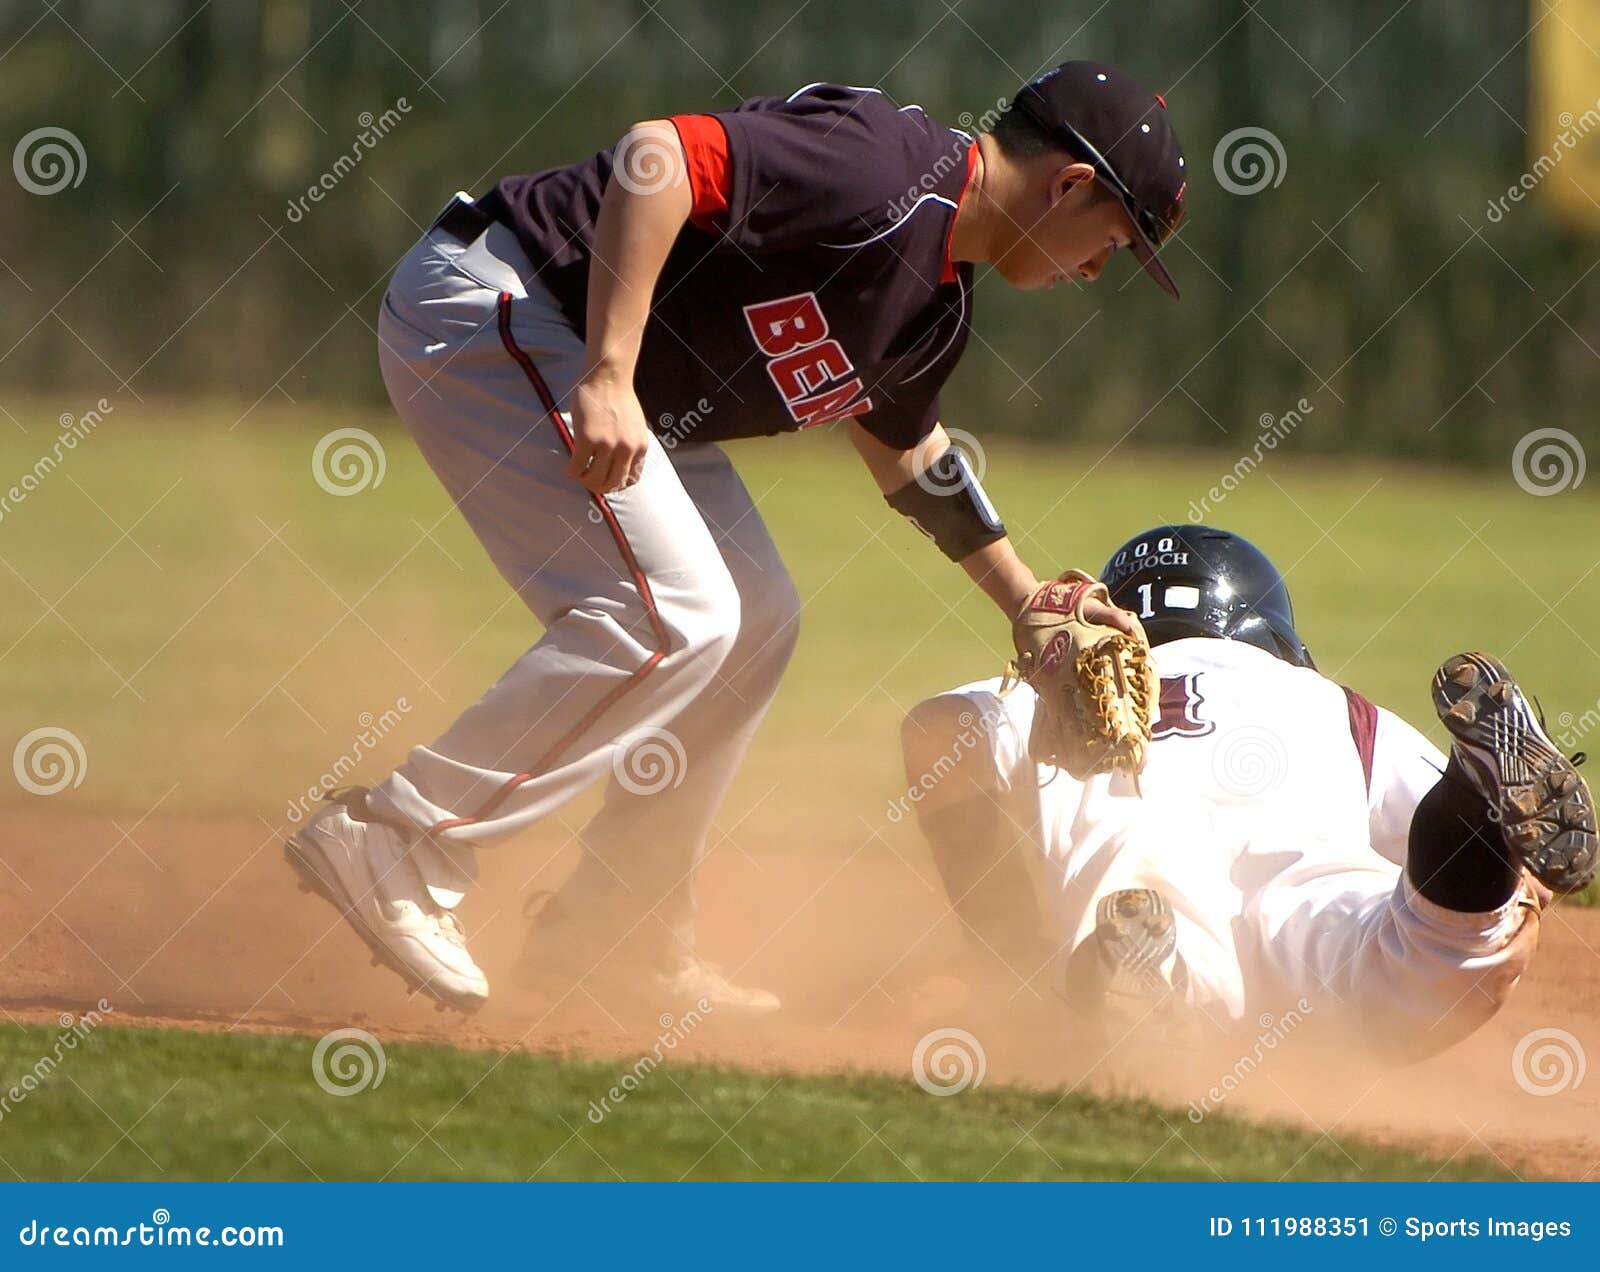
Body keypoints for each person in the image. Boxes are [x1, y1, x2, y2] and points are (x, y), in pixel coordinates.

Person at [285, 62, 1187, 1016]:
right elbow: (656, 158)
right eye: (1113, 243)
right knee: (678, 613)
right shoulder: (885, 166)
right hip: (502, 300)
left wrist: (1025, 598)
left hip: (595, 370)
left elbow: (905, 445)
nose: (1095, 272)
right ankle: (402, 841)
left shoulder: (937, 305)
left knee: (756, 619)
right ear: (1071, 184)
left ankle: (615, 936)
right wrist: (609, 373)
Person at [900, 524, 1597, 1059]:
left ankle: (1155, 960)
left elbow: (937, 729)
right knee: (1427, 968)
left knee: (1156, 1027)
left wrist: (1006, 957)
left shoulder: (1060, 693)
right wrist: (1513, 902)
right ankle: (1470, 797)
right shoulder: (1327, 702)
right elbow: (1533, 863)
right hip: (1313, 901)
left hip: (1141, 889)